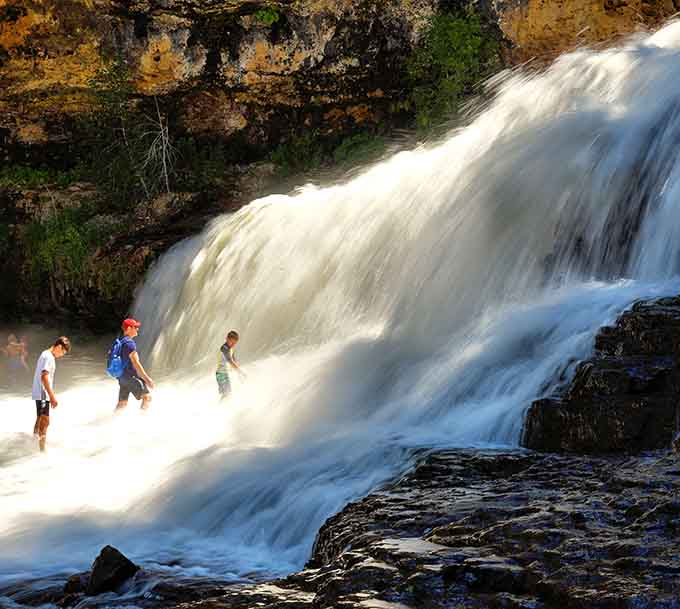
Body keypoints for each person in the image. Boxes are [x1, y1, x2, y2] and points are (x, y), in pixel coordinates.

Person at [31, 336, 71, 452]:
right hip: (43, 394)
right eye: (63, 352)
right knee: (45, 421)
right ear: (59, 346)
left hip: (39, 392)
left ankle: (33, 442)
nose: (62, 355)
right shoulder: (49, 357)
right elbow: (44, 376)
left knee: (40, 419)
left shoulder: (45, 354)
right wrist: (52, 397)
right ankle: (42, 450)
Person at [114, 318, 155, 412]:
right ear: (129, 328)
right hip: (130, 377)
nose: (137, 329)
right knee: (147, 397)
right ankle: (141, 421)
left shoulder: (120, 341)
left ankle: (108, 421)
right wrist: (147, 379)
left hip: (122, 377)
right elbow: (136, 364)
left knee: (122, 404)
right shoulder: (130, 344)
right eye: (135, 327)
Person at [216, 330, 244, 399]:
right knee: (226, 394)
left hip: (225, 374)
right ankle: (219, 407)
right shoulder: (224, 348)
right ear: (227, 339)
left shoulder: (231, 349)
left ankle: (222, 407)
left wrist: (239, 374)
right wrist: (240, 371)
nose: (233, 344)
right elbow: (230, 361)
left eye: (234, 343)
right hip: (220, 374)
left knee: (229, 394)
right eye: (232, 342)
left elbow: (234, 360)